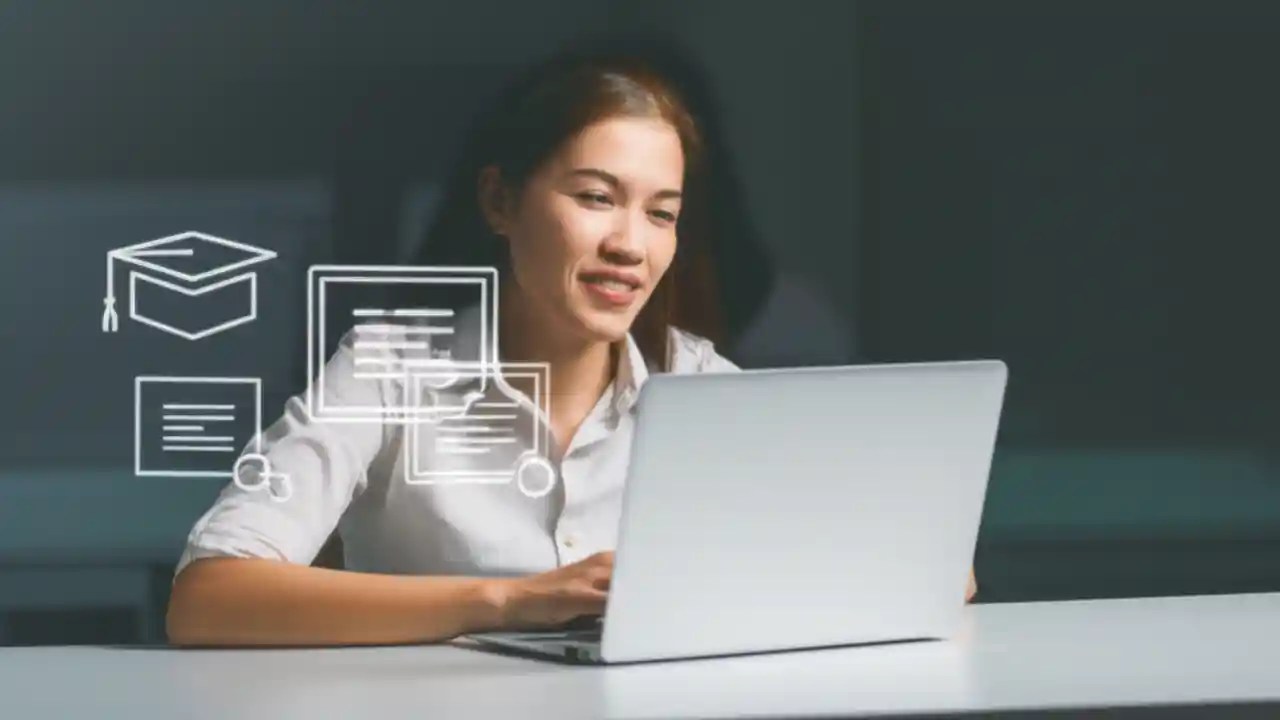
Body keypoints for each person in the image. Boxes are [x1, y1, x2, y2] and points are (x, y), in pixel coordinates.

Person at [166, 49, 976, 648]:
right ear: (500, 201)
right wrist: (509, 600)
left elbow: (924, 572)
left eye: (662, 214)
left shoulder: (699, 384)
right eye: (595, 198)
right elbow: (207, 597)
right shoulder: (389, 368)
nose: (632, 244)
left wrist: (917, 564)